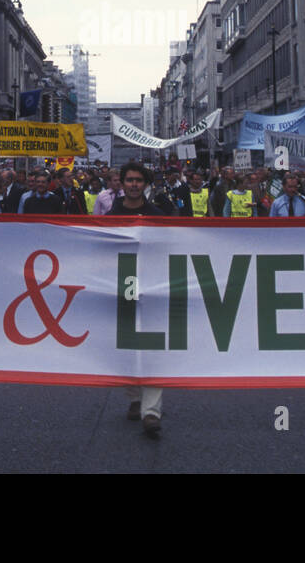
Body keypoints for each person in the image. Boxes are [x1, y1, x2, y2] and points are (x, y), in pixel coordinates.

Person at [107, 163, 168, 437]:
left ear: (145, 184)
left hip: (152, 286)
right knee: (125, 347)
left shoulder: (157, 215)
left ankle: (151, 412)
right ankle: (134, 397)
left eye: (138, 180)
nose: (133, 184)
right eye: (129, 179)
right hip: (121, 286)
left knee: (154, 347)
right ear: (121, 183)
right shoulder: (112, 214)